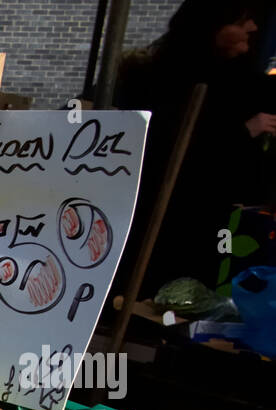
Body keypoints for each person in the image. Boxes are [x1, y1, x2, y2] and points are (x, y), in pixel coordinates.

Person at [116, 1, 273, 291]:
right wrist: (244, 131)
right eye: (241, 22)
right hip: (170, 220)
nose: (252, 28)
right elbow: (169, 149)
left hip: (219, 220)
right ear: (211, 28)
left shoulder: (243, 78)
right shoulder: (159, 79)